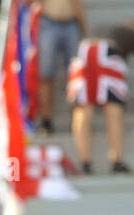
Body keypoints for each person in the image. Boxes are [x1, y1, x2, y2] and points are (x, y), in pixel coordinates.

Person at [67, 21, 134, 174]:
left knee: (83, 109)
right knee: (113, 109)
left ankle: (85, 162)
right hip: (108, 53)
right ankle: (117, 161)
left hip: (83, 51)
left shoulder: (99, 28)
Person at [35, 0, 87, 134]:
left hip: (72, 23)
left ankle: (78, 122)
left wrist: (84, 29)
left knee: (76, 76)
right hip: (48, 21)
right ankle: (46, 121)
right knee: (46, 74)